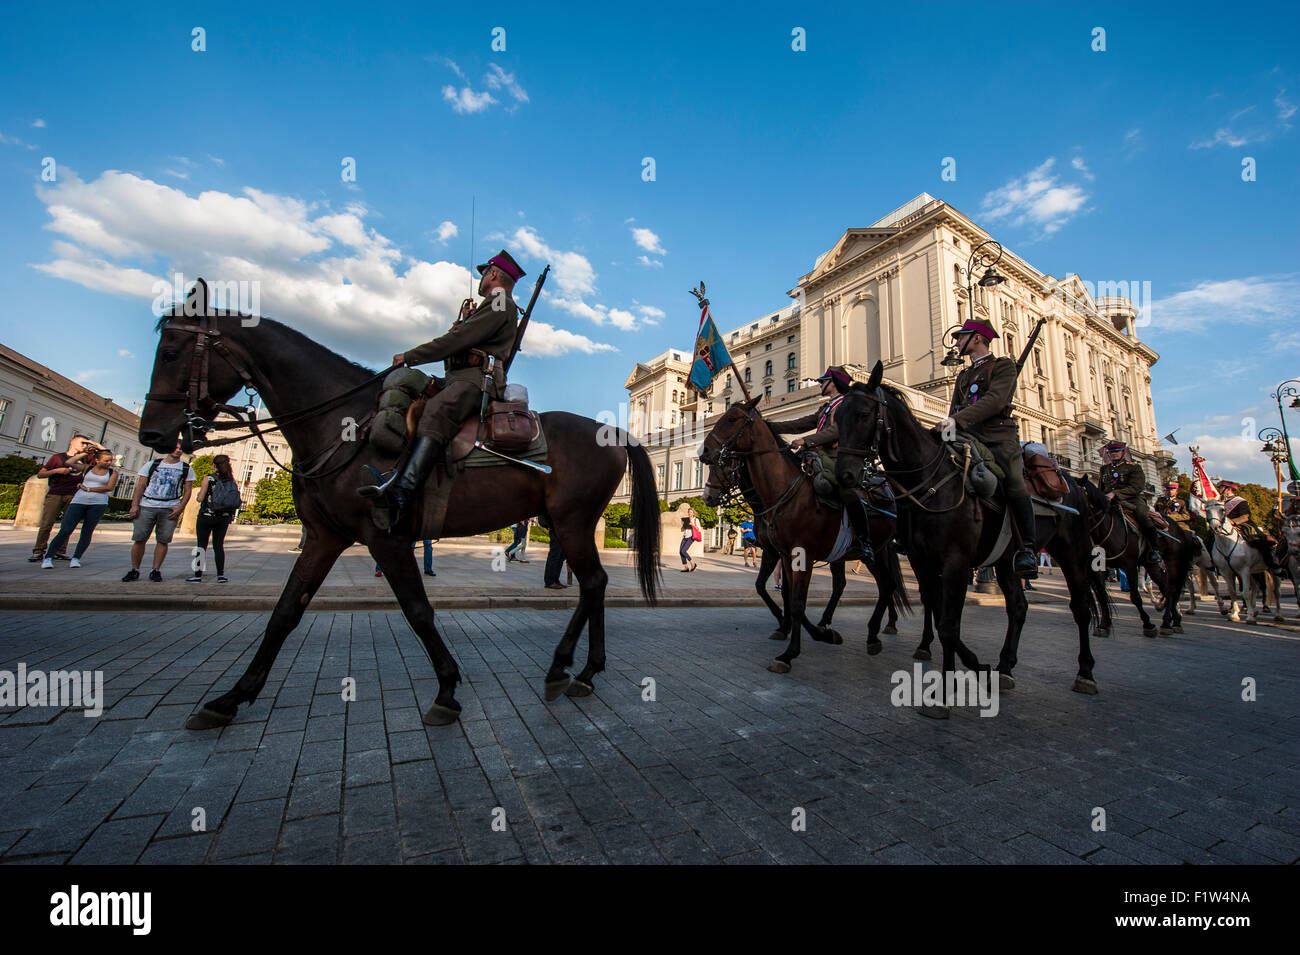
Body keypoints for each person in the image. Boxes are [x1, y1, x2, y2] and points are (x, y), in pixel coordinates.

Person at [360, 250, 525, 531]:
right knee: (410, 390)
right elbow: (464, 335)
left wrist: (411, 355)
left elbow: (458, 340)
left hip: (475, 382)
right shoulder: (494, 306)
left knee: (437, 410)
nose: (481, 279)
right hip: (459, 378)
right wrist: (466, 321)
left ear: (494, 274)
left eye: (484, 273)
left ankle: (402, 494)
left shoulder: (499, 302)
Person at [939, 319, 1037, 577]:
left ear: (978, 338)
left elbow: (995, 401)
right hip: (967, 437)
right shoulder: (963, 375)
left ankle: (1027, 548)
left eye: (961, 337)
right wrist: (946, 432)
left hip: (997, 438)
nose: (957, 342)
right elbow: (954, 411)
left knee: (1015, 481)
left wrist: (957, 420)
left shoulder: (1002, 366)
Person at [770, 366, 874, 563]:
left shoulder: (846, 405)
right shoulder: (825, 407)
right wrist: (770, 426)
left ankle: (863, 540)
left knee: (841, 489)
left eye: (822, 380)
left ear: (833, 382)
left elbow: (837, 431)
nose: (819, 383)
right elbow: (800, 423)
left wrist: (807, 441)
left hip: (838, 458)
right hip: (818, 455)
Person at [122, 444, 195, 582]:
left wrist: (180, 508)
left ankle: (155, 570)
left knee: (163, 540)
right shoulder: (152, 464)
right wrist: (134, 505)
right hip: (147, 505)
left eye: (181, 448)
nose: (178, 450)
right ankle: (134, 569)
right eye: (175, 447)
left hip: (170, 507)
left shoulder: (186, 468)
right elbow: (141, 485)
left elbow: (188, 491)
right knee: (139, 538)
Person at [40, 447, 116, 568]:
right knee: (66, 530)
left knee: (87, 532)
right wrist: (85, 453)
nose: (109, 463)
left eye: (110, 460)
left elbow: (109, 487)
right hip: (79, 501)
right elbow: (69, 463)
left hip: (98, 504)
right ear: (97, 460)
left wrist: (89, 489)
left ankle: (76, 558)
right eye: (106, 460)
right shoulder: (88, 468)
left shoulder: (112, 472)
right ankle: (48, 557)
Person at [1099, 441, 1165, 573]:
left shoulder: (1133, 467)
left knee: (1142, 515)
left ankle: (1155, 549)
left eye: (1116, 451)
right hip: (1109, 501)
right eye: (1111, 452)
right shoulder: (1104, 469)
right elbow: (1101, 487)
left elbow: (1137, 487)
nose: (1114, 454)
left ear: (1123, 452)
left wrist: (1115, 494)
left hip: (1131, 499)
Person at [29, 434, 95, 562]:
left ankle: (60, 550)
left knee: (68, 525)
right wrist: (56, 471)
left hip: (74, 495)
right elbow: (41, 474)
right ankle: (39, 550)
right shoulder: (58, 458)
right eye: (82, 443)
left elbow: (106, 455)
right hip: (56, 493)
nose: (85, 446)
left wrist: (93, 444)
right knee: (47, 523)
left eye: (86, 444)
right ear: (72, 442)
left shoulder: (86, 460)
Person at [187, 454, 240, 583]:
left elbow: (200, 498)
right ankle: (220, 575)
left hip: (207, 516)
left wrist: (200, 495)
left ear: (214, 465)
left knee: (201, 545)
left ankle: (197, 576)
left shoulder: (209, 479)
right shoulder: (232, 481)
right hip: (223, 518)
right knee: (219, 546)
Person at [1218, 480, 1282, 572]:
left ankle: (1269, 561)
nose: (1219, 489)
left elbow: (1246, 516)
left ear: (1228, 489)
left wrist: (1233, 522)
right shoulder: (1219, 502)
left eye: (1221, 487)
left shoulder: (1240, 501)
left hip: (1241, 524)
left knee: (1259, 539)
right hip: (1223, 526)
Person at [537, 514, 567, 589]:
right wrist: (548, 525)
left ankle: (555, 579)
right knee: (554, 555)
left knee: (561, 556)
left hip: (563, 531)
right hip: (555, 530)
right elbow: (541, 516)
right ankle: (549, 581)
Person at [679, 508, 700, 572]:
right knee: (680, 551)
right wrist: (683, 525)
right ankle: (686, 567)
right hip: (685, 536)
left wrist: (692, 524)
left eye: (691, 512)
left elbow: (698, 529)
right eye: (688, 512)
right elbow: (682, 530)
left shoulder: (696, 520)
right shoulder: (686, 520)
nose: (689, 513)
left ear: (693, 513)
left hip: (691, 537)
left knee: (683, 551)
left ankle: (692, 563)